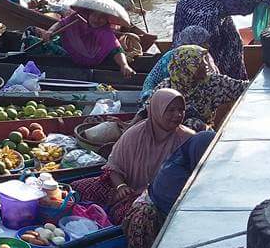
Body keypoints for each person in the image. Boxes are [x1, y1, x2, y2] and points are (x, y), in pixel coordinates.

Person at [73, 89, 194, 223]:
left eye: (181, 110)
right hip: (128, 188)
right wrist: (121, 186)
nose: (177, 115)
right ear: (156, 110)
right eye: (171, 110)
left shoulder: (188, 139)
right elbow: (113, 166)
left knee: (137, 218)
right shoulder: (135, 134)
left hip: (159, 199)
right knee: (78, 187)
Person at [122, 131, 216, 248]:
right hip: (151, 219)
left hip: (165, 214)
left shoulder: (189, 162)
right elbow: (183, 214)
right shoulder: (175, 174)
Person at [147, 44, 246, 131]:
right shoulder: (166, 87)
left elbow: (241, 87)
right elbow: (147, 110)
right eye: (200, 62)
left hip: (200, 135)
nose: (206, 65)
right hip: (168, 134)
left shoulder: (213, 82)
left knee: (193, 123)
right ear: (188, 67)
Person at [36, 0, 135, 77]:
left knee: (34, 42)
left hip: (77, 58)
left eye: (102, 17)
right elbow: (60, 23)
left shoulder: (104, 31)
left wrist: (124, 65)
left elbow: (116, 49)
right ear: (89, 13)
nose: (97, 19)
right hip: (65, 45)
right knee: (32, 31)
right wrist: (50, 31)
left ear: (107, 20)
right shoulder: (77, 17)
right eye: (95, 15)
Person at [139, 25, 210, 103]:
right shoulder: (174, 58)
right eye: (204, 42)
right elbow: (152, 83)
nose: (208, 45)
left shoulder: (202, 56)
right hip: (160, 96)